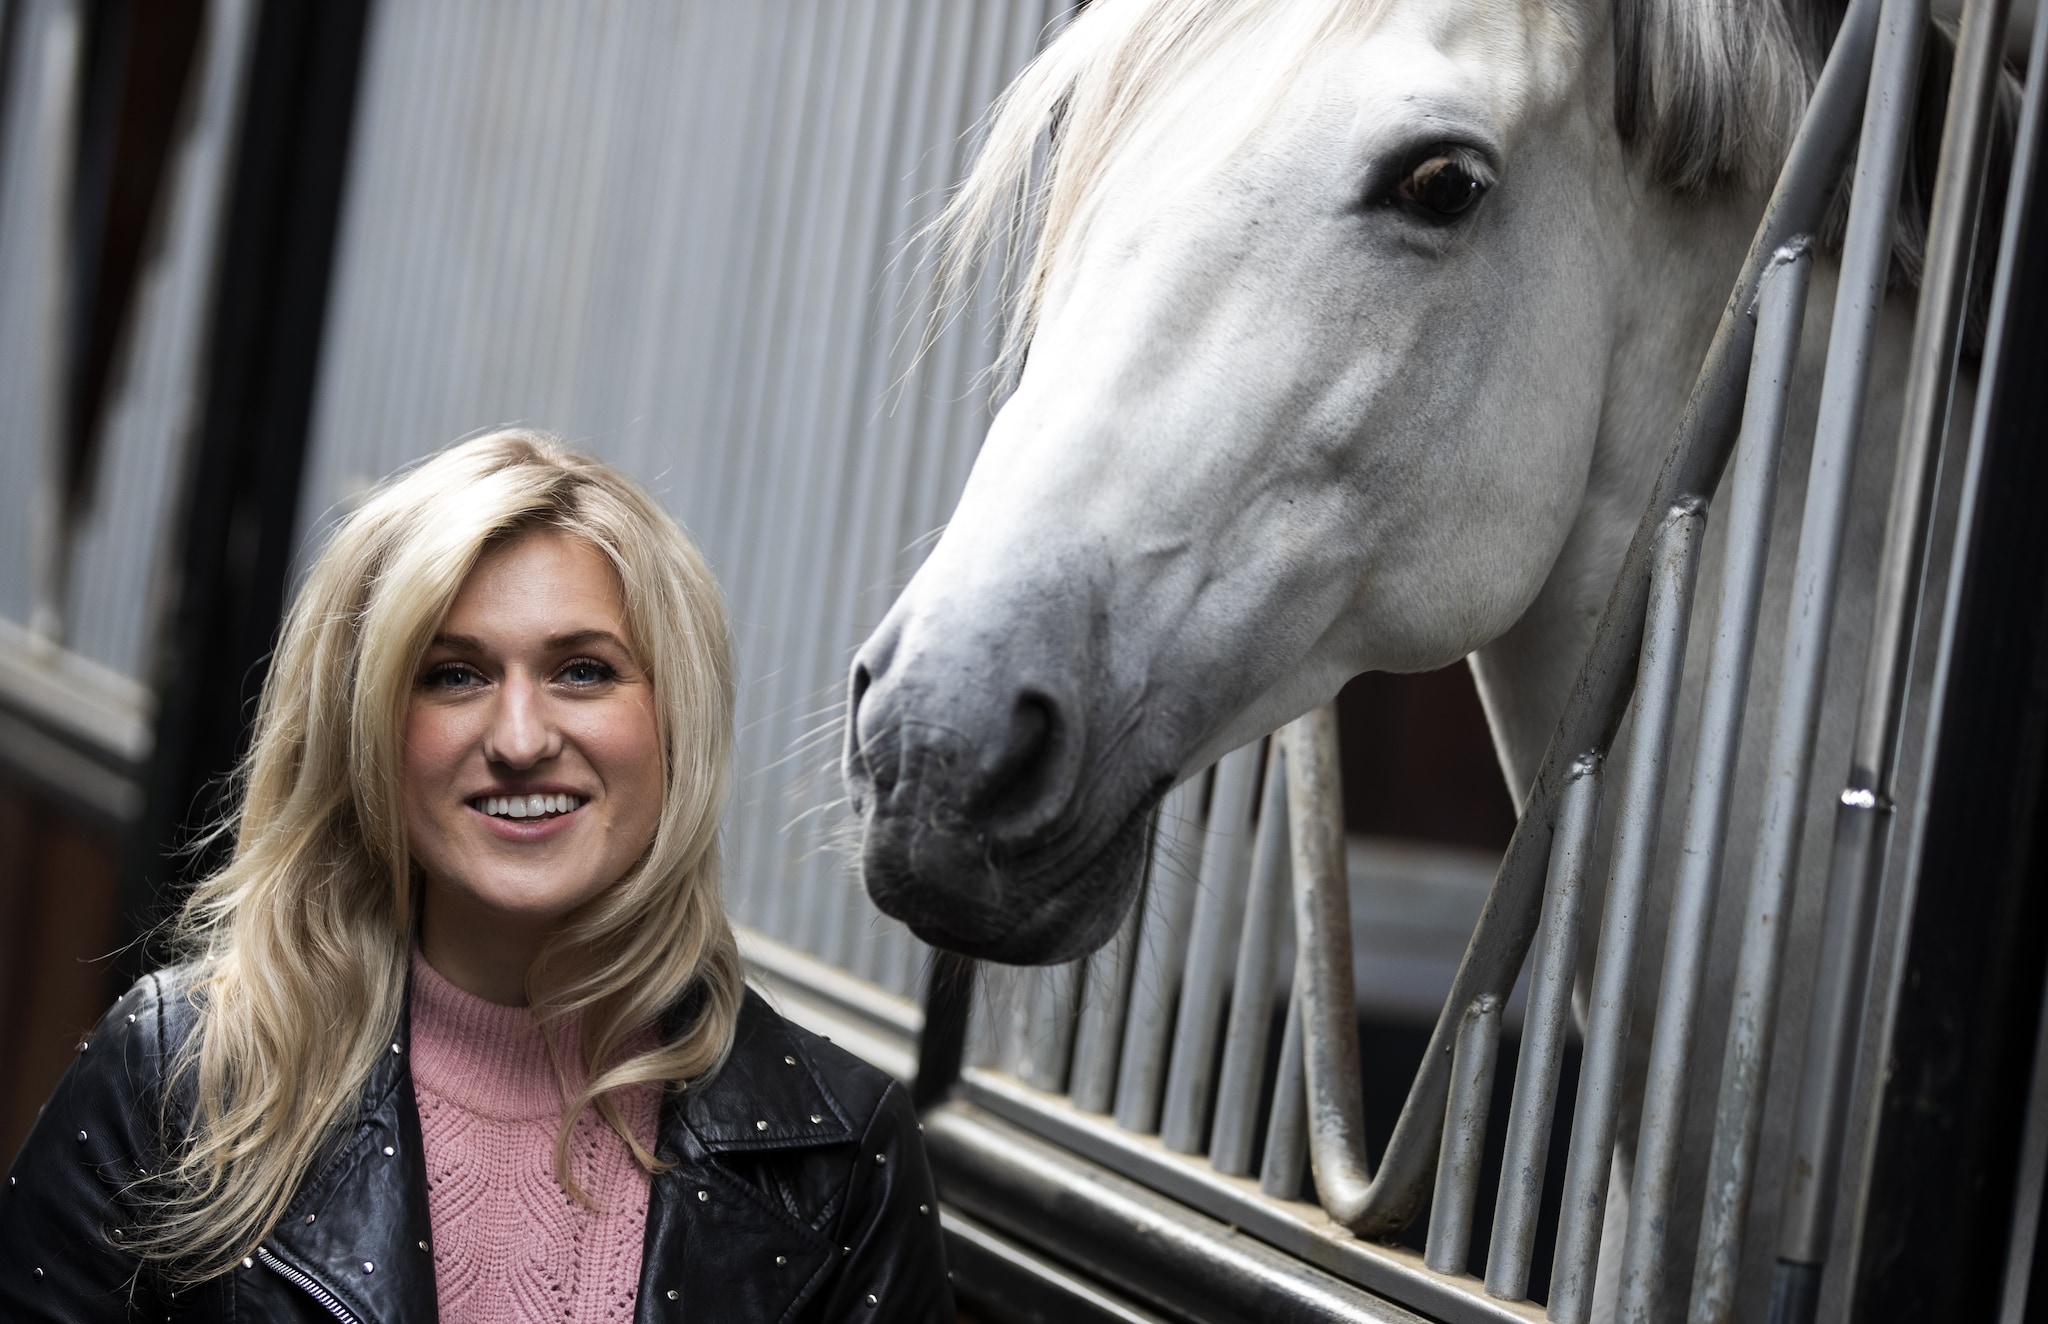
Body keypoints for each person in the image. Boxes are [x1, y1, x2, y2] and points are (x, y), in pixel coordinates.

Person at [0, 430, 954, 1322]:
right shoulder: (179, 1076)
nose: (521, 739)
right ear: (367, 728)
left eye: (583, 671)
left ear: (676, 723)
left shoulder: (841, 1159)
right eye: (455, 674)